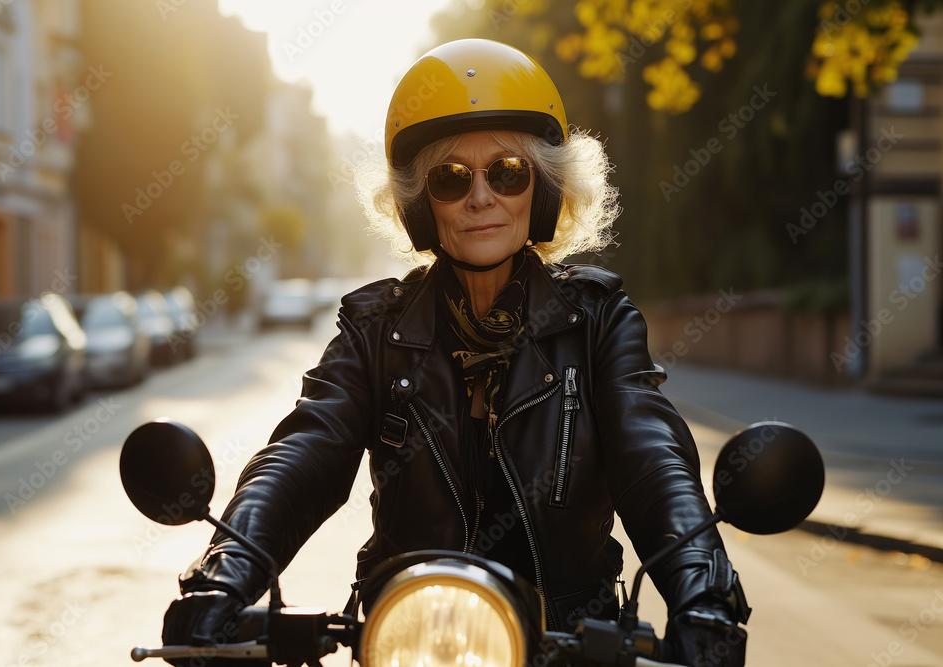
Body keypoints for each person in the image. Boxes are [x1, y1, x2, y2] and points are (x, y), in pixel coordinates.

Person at [162, 38, 750, 666]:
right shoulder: (374, 331)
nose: (480, 197)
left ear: (545, 189)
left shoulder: (597, 323)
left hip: (569, 645)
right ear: (420, 205)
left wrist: (704, 597)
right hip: (407, 640)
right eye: (450, 178)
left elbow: (652, 458)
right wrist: (221, 578)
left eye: (508, 172)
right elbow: (303, 453)